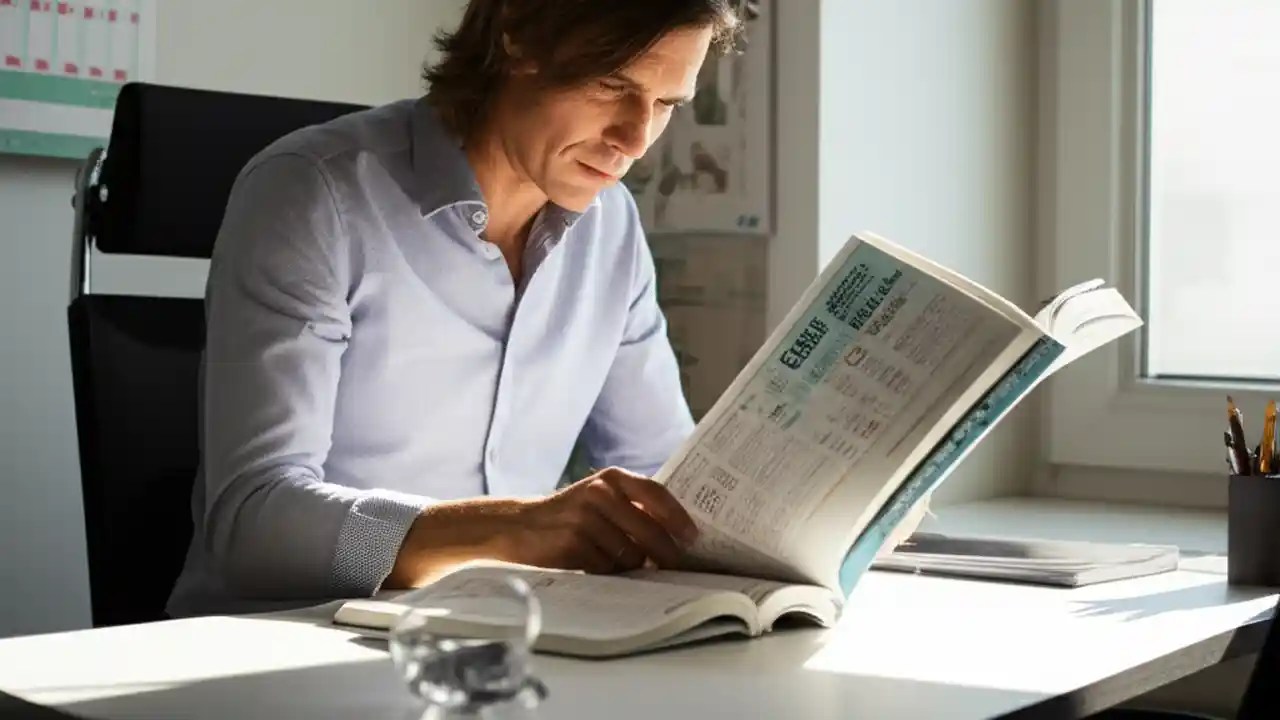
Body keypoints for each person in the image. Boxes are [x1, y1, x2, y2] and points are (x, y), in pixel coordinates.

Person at [166, 1, 744, 617]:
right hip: (282, 647)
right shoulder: (316, 194)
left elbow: (664, 480)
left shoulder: (612, 228)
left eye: (665, 105)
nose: (635, 140)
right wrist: (504, 532)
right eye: (611, 85)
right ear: (518, 33)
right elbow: (252, 525)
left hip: (498, 642)